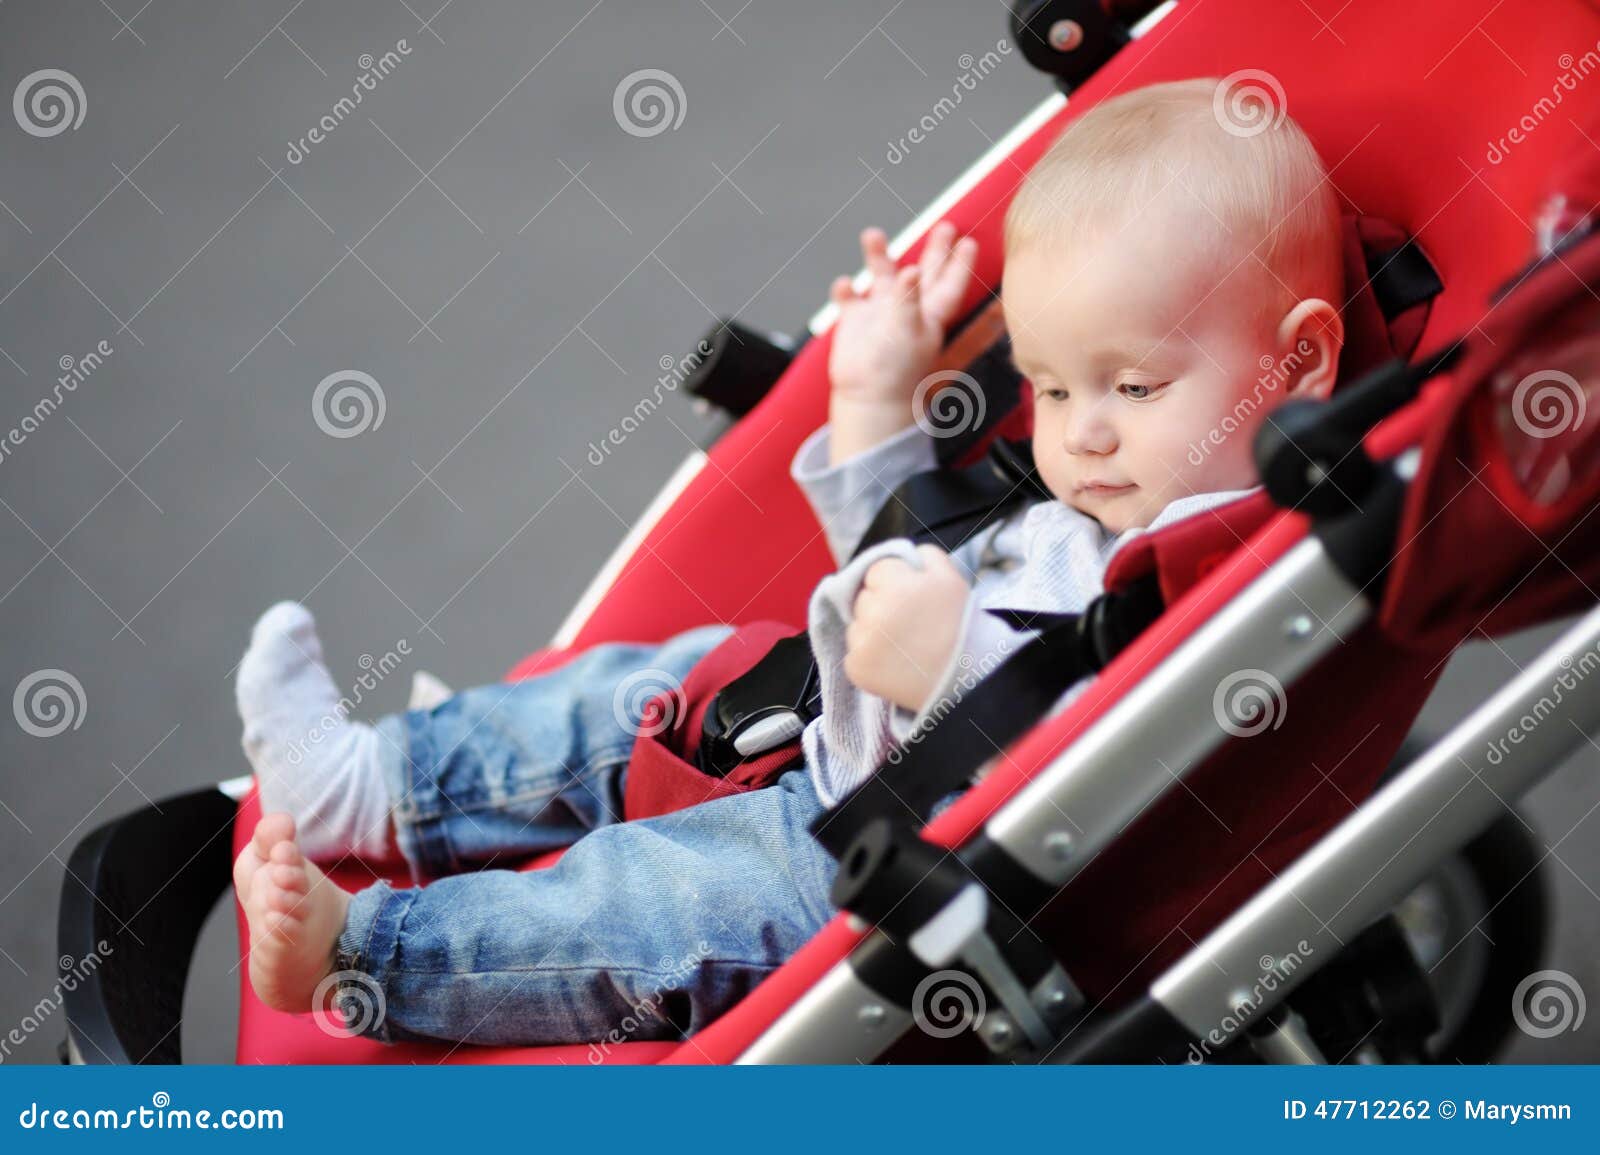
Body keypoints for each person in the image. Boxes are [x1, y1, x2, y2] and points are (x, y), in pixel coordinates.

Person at [230, 77, 1346, 1046]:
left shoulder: (1240, 575)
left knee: (644, 905)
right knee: (628, 689)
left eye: (1134, 387)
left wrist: (958, 664)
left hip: (876, 877)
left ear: (1295, 363)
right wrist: (873, 404)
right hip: (805, 720)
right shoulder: (1095, 502)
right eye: (1052, 388)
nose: (1081, 432)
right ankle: (368, 783)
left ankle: (365, 956)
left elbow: (1133, 767)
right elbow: (899, 558)